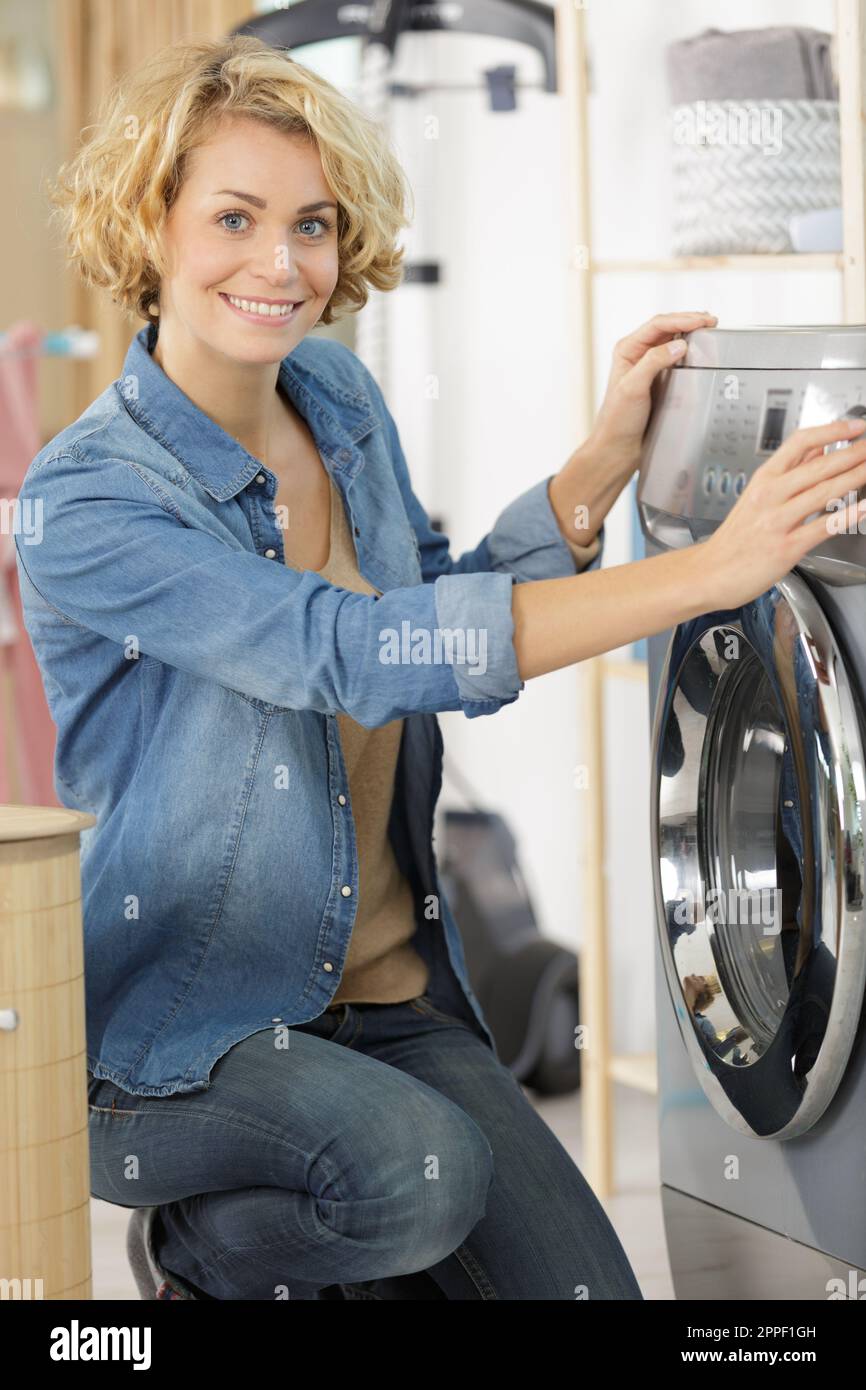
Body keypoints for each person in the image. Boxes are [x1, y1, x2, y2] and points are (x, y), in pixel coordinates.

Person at [17, 34, 866, 1301]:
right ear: (149, 226)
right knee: (413, 1172)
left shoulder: (336, 395)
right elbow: (349, 653)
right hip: (181, 1037)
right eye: (233, 217)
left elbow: (426, 597)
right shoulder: (89, 499)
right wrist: (709, 570)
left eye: (311, 224)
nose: (282, 263)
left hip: (389, 994)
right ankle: (199, 1258)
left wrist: (593, 474)